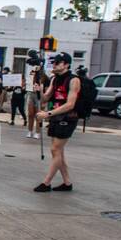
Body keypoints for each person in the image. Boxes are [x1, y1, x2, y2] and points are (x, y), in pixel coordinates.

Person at [33, 52, 81, 192]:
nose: (54, 65)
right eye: (54, 62)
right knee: (59, 152)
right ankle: (67, 183)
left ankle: (46, 183)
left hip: (68, 118)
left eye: (58, 63)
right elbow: (45, 99)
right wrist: (40, 91)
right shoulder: (55, 79)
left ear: (66, 64)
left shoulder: (74, 80)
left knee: (55, 149)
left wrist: (47, 114)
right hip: (56, 117)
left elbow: (70, 104)